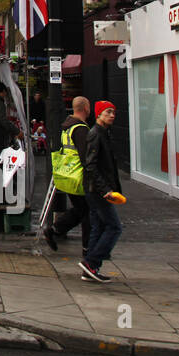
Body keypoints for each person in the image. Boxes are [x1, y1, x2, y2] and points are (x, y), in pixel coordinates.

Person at [79, 100, 124, 283]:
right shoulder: (96, 134)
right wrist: (105, 190)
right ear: (98, 115)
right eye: (108, 112)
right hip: (97, 191)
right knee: (114, 227)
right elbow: (90, 165)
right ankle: (91, 262)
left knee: (98, 226)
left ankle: (90, 269)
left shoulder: (103, 133)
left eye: (113, 112)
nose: (112, 115)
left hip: (96, 189)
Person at [44, 96, 91, 257]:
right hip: (79, 177)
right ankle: (88, 250)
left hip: (69, 175)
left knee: (81, 210)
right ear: (86, 108)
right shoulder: (81, 129)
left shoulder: (67, 127)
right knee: (87, 213)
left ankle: (55, 230)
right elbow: (86, 156)